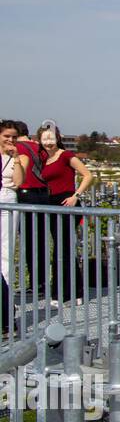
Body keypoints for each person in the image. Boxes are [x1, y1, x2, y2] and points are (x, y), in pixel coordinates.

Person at [38, 123, 94, 303]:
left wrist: (75, 196)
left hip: (67, 202)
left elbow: (88, 175)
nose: (48, 142)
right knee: (58, 249)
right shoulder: (45, 159)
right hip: (52, 203)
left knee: (67, 248)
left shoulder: (66, 156)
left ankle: (74, 292)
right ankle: (59, 291)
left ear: (58, 138)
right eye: (44, 139)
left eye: (51, 138)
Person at [13, 121, 49, 298]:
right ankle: (43, 281)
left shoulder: (18, 147)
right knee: (41, 240)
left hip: (26, 194)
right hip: (44, 194)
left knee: (29, 240)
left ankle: (35, 283)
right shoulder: (39, 146)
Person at [0, 120, 26, 331]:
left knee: (7, 253)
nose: (10, 140)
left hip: (8, 199)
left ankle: (8, 303)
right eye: (6, 136)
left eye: (13, 137)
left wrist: (15, 158)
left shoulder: (18, 157)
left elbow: (18, 182)